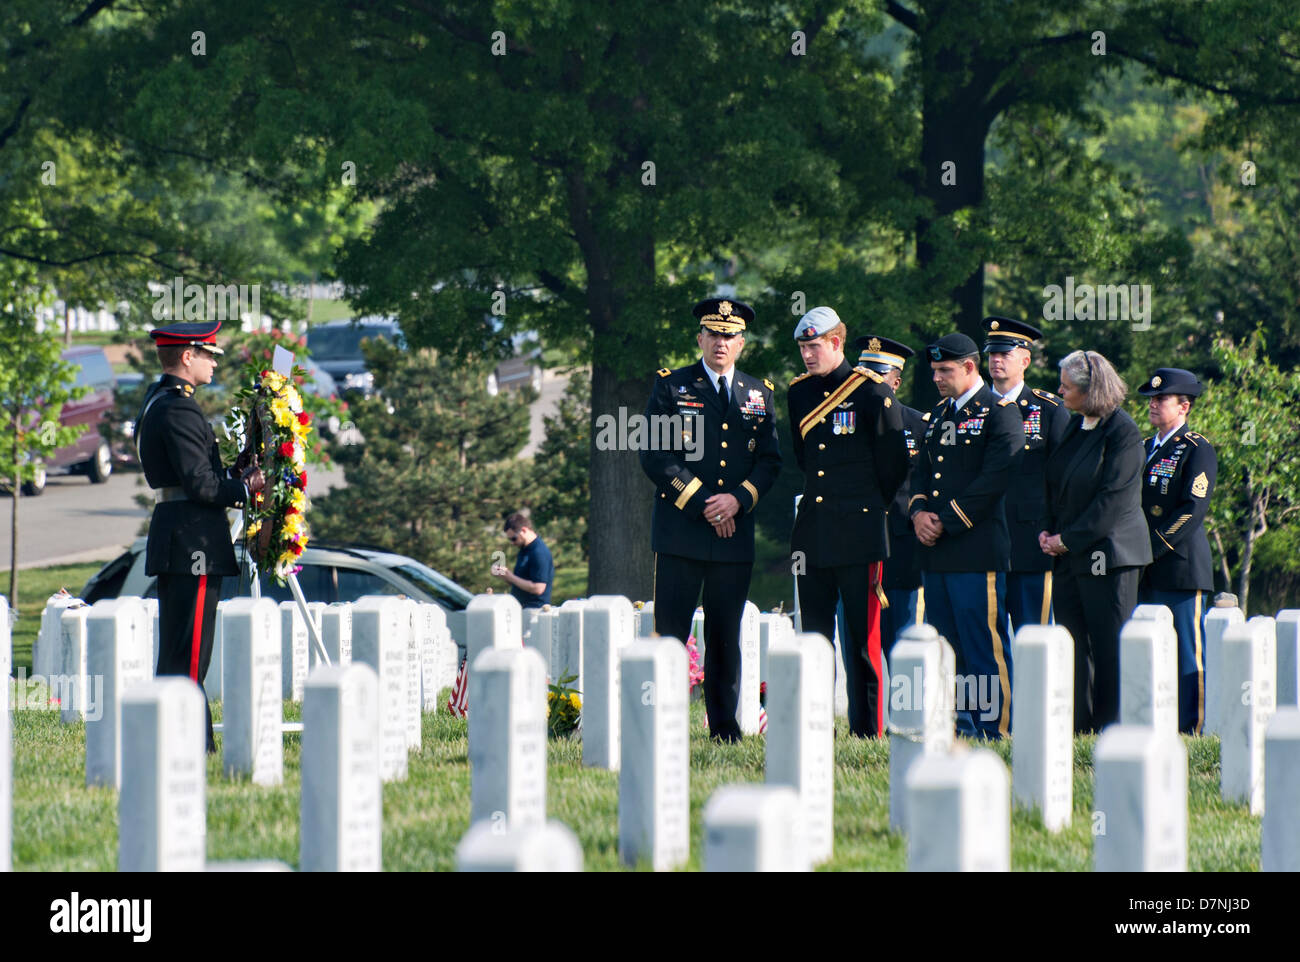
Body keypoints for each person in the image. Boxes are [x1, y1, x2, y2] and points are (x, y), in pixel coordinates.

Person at [640, 297, 782, 742]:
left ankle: (725, 730)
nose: (721, 343)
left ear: (741, 343)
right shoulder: (671, 387)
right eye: (713, 334)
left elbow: (770, 462)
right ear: (699, 338)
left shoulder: (760, 395)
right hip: (682, 531)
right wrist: (705, 501)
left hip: (733, 536)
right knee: (671, 636)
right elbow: (655, 455)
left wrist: (738, 500)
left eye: (729, 336)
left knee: (725, 638)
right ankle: (662, 727)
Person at [136, 321, 265, 754]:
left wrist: (235, 473)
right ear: (187, 356)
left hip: (181, 536)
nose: (213, 361)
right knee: (189, 655)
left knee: (179, 653)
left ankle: (178, 740)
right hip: (194, 542)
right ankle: (190, 745)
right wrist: (246, 488)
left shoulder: (162, 401)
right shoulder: (179, 409)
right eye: (207, 353)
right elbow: (202, 488)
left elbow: (197, 476)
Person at [789, 310, 908, 738]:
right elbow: (806, 461)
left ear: (837, 342)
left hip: (859, 533)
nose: (807, 354)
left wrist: (863, 507)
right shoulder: (799, 394)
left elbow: (893, 468)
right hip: (814, 533)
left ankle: (866, 732)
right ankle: (816, 729)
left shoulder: (873, 394)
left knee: (862, 643)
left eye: (814, 345)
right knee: (816, 642)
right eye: (802, 347)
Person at [908, 332, 1022, 739]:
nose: (937, 378)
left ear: (970, 367)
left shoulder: (999, 413)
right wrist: (918, 512)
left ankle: (997, 728)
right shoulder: (938, 414)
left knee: (982, 646)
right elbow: (921, 472)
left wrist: (946, 519)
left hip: (976, 549)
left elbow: (996, 477)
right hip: (937, 553)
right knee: (946, 645)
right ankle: (960, 725)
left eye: (945, 370)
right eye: (934, 370)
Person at [1041, 350, 1152, 734]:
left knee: (1109, 646)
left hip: (1109, 556)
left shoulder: (1123, 432)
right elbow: (1058, 483)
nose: (1060, 391)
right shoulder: (1075, 426)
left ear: (1091, 390)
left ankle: (1112, 728)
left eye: (1067, 387)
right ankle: (1080, 727)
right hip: (1069, 555)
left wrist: (1066, 540)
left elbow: (1112, 500)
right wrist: (1049, 530)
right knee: (1074, 646)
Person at [1136, 367, 1217, 734]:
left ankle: (1192, 726)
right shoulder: (1141, 448)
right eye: (1151, 399)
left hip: (1180, 566)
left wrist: (1152, 547)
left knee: (1188, 652)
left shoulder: (1197, 449)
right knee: (1148, 650)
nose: (1153, 405)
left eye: (1161, 399)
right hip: (1143, 567)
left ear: (1184, 406)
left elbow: (1192, 509)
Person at [982, 317, 1071, 636]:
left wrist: (1058, 533)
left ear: (1026, 360)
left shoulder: (1049, 410)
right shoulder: (973, 409)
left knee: (1033, 640)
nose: (995, 360)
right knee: (984, 644)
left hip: (1032, 543)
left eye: (1004, 353)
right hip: (982, 542)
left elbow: (1062, 478)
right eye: (991, 353)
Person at [852, 333, 926, 662]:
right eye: (862, 372)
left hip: (901, 550)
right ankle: (867, 717)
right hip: (854, 547)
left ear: (895, 382)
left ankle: (903, 715)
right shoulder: (843, 421)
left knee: (903, 648)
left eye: (877, 374)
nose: (867, 381)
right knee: (859, 651)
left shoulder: (920, 425)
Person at [491, 511, 555, 609]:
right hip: (521, 610)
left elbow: (538, 588)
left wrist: (510, 576)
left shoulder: (539, 552)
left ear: (524, 530)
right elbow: (521, 582)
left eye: (514, 539)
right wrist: (504, 575)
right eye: (510, 540)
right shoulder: (524, 549)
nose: (512, 543)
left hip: (535, 612)